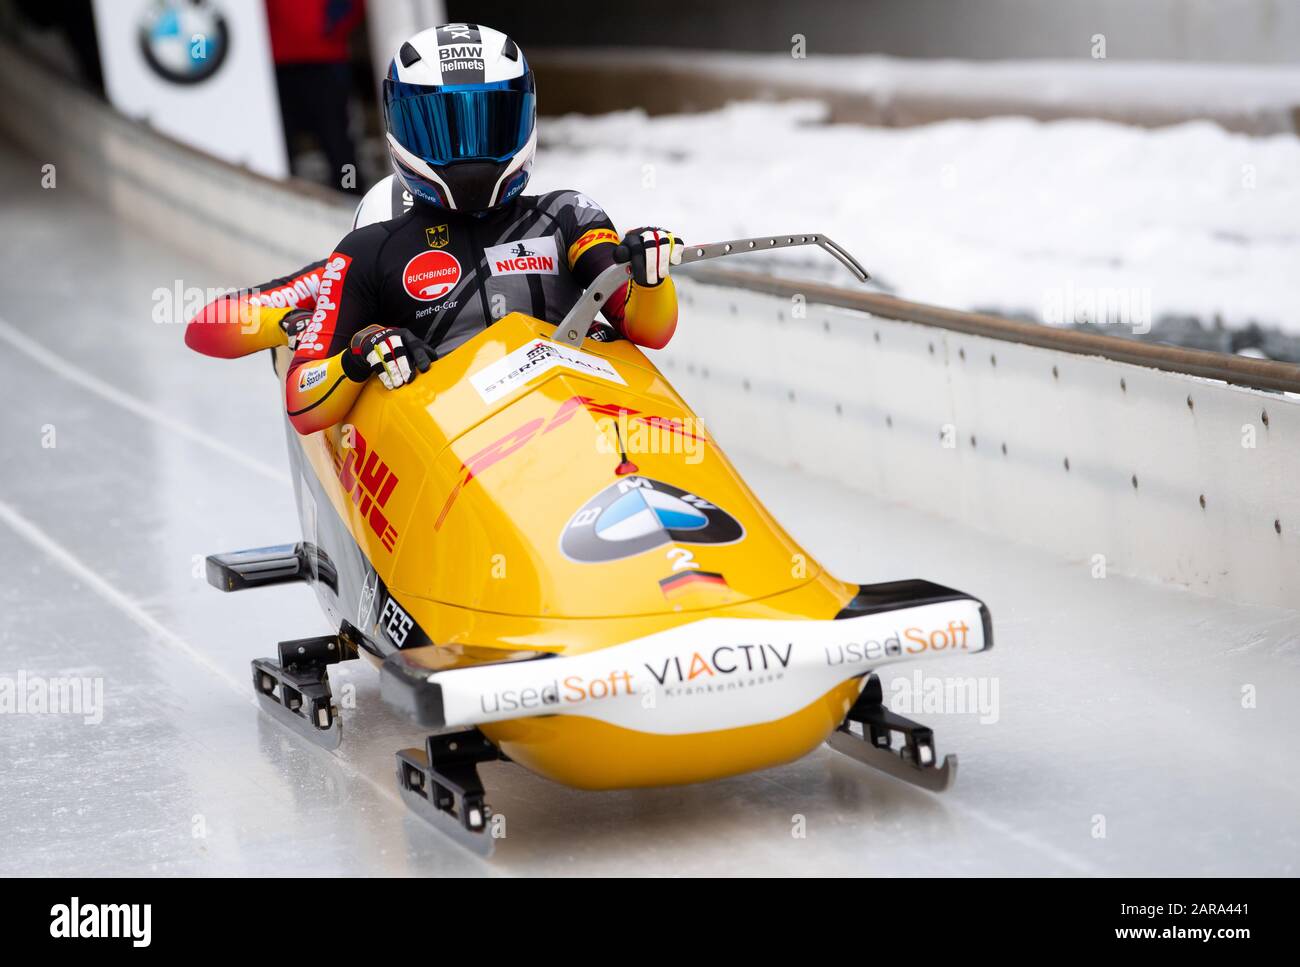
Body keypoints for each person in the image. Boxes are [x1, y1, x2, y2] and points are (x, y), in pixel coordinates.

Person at [187, 24, 682, 439]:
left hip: (576, 424)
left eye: (488, 122)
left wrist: (649, 274)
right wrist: (344, 343)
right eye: (443, 129)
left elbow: (650, 329)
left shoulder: (568, 215)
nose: (467, 151)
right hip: (448, 439)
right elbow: (211, 330)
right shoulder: (370, 252)